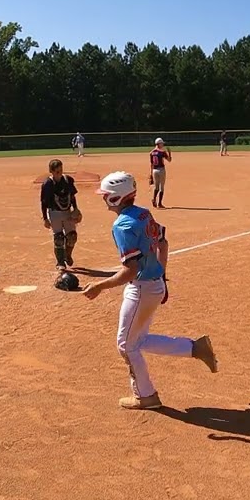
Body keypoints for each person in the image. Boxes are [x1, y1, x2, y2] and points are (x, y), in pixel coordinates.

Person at [82, 171, 218, 410]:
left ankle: (146, 396)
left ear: (115, 198)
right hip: (153, 285)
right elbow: (163, 243)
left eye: (106, 195)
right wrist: (162, 278)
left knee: (126, 345)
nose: (103, 199)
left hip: (141, 289)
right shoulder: (143, 214)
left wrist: (99, 287)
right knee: (138, 340)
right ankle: (195, 348)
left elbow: (130, 271)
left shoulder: (122, 225)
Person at [41, 159, 81, 270]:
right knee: (59, 237)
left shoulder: (67, 180)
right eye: (57, 172)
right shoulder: (48, 184)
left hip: (67, 212)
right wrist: (45, 218)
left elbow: (72, 196)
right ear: (51, 172)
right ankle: (60, 262)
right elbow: (44, 202)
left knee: (72, 236)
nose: (59, 173)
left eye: (61, 170)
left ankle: (67, 255)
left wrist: (76, 209)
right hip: (54, 213)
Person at [148, 138, 172, 208]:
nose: (163, 145)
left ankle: (154, 199)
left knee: (156, 187)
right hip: (161, 170)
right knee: (162, 188)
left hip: (154, 171)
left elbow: (151, 164)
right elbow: (169, 160)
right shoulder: (162, 152)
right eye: (162, 143)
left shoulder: (151, 152)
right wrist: (169, 153)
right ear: (159, 144)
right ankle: (160, 203)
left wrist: (151, 174)